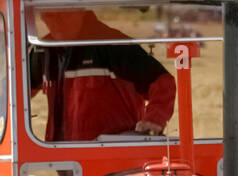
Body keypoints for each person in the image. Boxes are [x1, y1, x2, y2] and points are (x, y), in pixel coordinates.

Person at [29, 8, 176, 142]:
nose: (55, 21)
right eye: (49, 15)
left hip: (112, 157)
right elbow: (16, 90)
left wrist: (154, 120)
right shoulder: (44, 51)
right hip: (61, 157)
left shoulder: (115, 46)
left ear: (81, 11)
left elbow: (163, 82)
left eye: (62, 14)